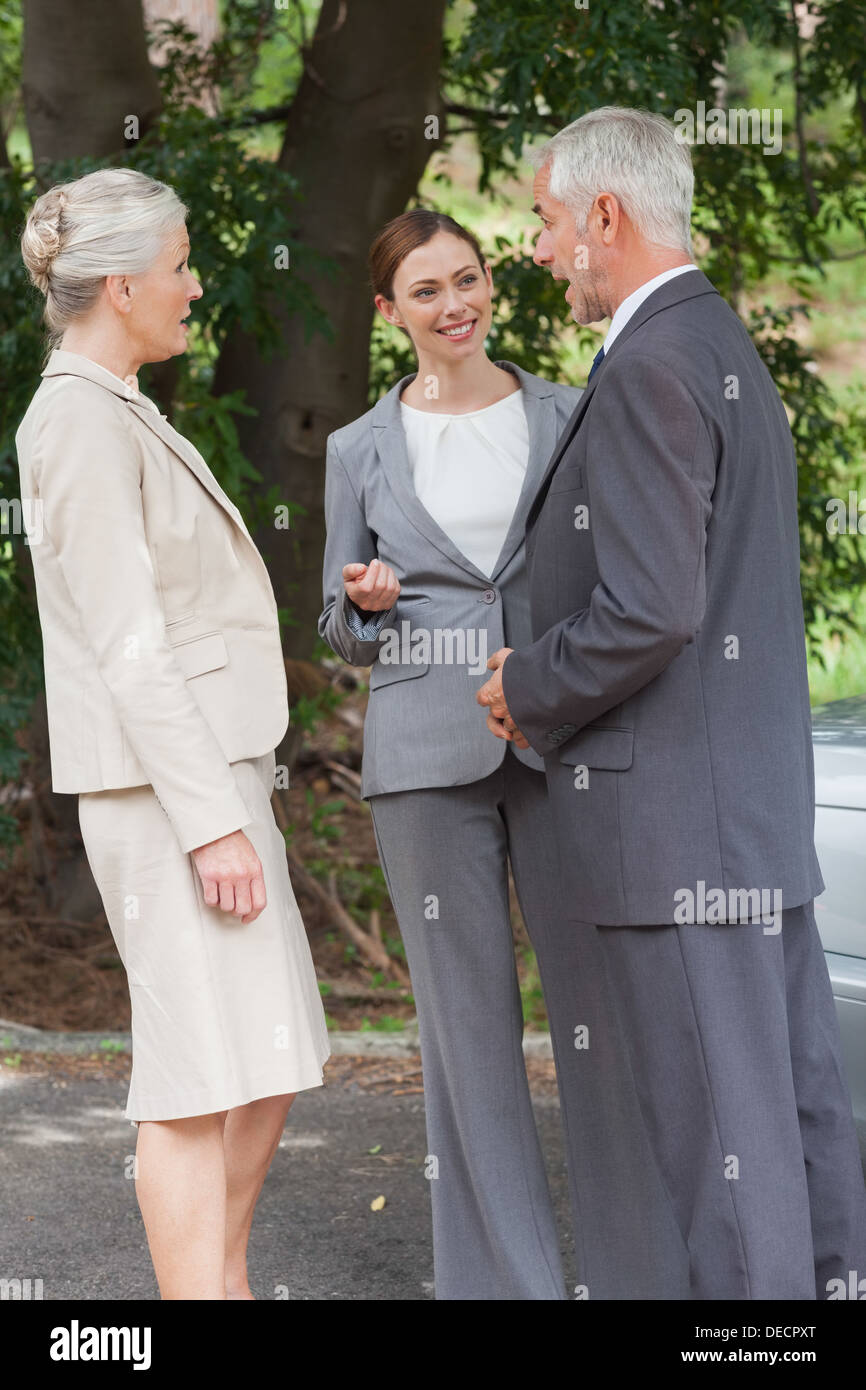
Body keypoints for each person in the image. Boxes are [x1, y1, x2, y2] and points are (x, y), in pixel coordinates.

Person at [478, 105, 866, 1299]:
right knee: (793, 1137)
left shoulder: (649, 363)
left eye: (546, 223)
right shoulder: (719, 342)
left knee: (725, 1164)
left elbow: (652, 609)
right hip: (743, 822)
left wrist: (522, 686)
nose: (537, 252)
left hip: (676, 842)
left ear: (605, 214)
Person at [319, 208, 685, 1300]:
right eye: (425, 291)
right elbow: (338, 631)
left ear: (491, 285)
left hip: (565, 737)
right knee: (467, 1031)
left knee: (607, 1014)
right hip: (426, 760)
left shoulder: (571, 412)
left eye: (467, 278)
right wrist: (368, 603)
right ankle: (502, 1287)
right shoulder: (357, 448)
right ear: (390, 315)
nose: (455, 304)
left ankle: (643, 1275)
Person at [15, 167, 330, 1300]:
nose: (194, 286)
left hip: (211, 778)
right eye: (182, 265)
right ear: (119, 284)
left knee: (268, 1061)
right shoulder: (77, 422)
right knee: (199, 1077)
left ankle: (217, 1278)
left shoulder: (117, 406)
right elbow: (128, 647)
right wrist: (209, 828)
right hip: (168, 799)